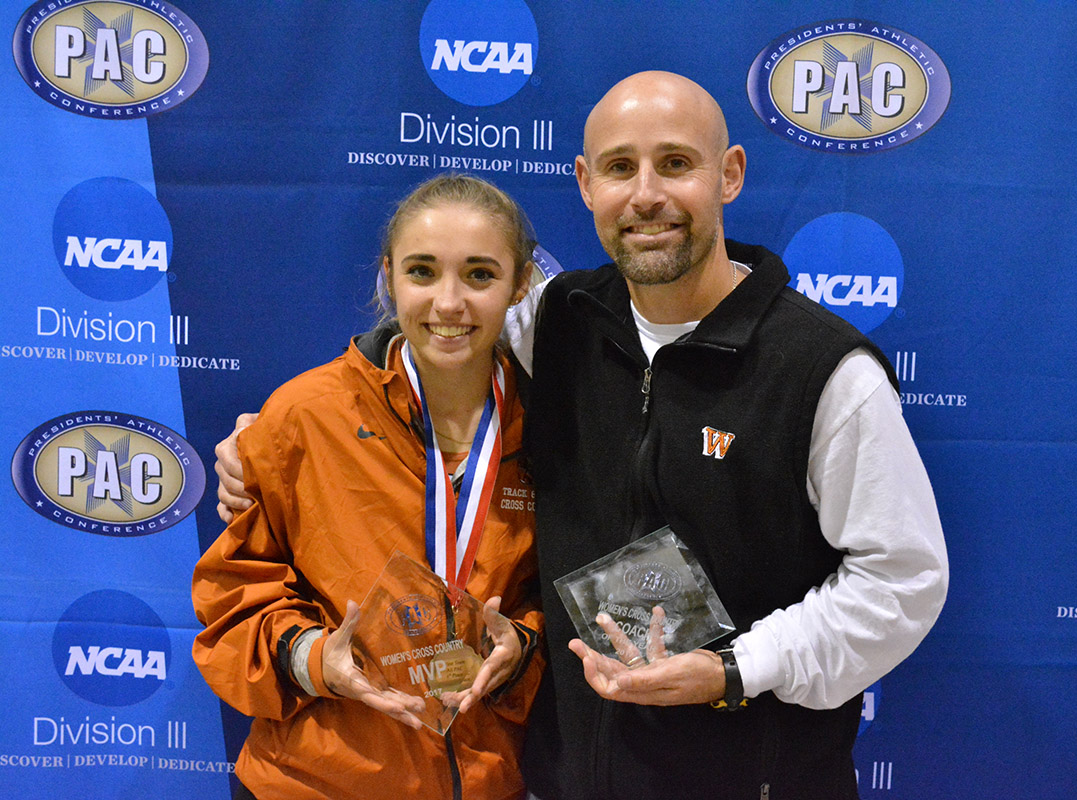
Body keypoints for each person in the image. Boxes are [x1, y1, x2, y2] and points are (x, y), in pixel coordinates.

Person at [217, 72, 948, 800]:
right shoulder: (560, 322)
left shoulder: (825, 373)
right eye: (621, 167)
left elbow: (904, 581)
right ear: (585, 183)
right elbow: (443, 325)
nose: (646, 195)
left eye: (676, 163)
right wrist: (271, 440)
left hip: (754, 773)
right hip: (572, 779)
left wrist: (736, 669)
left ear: (729, 174)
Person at [193, 174, 544, 800]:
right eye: (422, 271)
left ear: (521, 284)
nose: (449, 302)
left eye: (481, 275)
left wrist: (521, 646)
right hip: (316, 783)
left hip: (488, 780)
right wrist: (312, 659)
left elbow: (565, 592)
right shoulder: (306, 414)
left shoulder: (550, 428)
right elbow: (231, 600)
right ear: (389, 276)